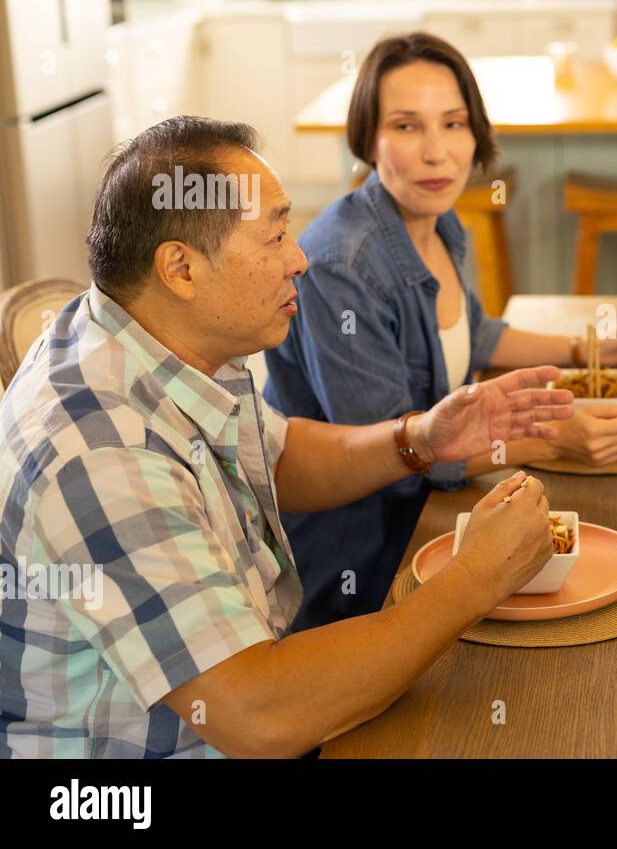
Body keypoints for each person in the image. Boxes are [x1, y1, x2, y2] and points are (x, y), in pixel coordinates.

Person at [0, 115, 574, 757]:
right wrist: (474, 580)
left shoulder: (167, 337)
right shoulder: (101, 455)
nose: (299, 259)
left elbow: (277, 455)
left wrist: (419, 439)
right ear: (181, 270)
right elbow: (258, 715)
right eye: (274, 237)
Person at [263, 32, 617, 630]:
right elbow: (400, 449)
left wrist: (591, 350)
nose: (437, 153)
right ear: (368, 138)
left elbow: (473, 331)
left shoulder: (435, 224)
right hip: (361, 561)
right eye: (407, 126)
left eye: (453, 124)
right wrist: (554, 438)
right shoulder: (342, 266)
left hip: (431, 515)